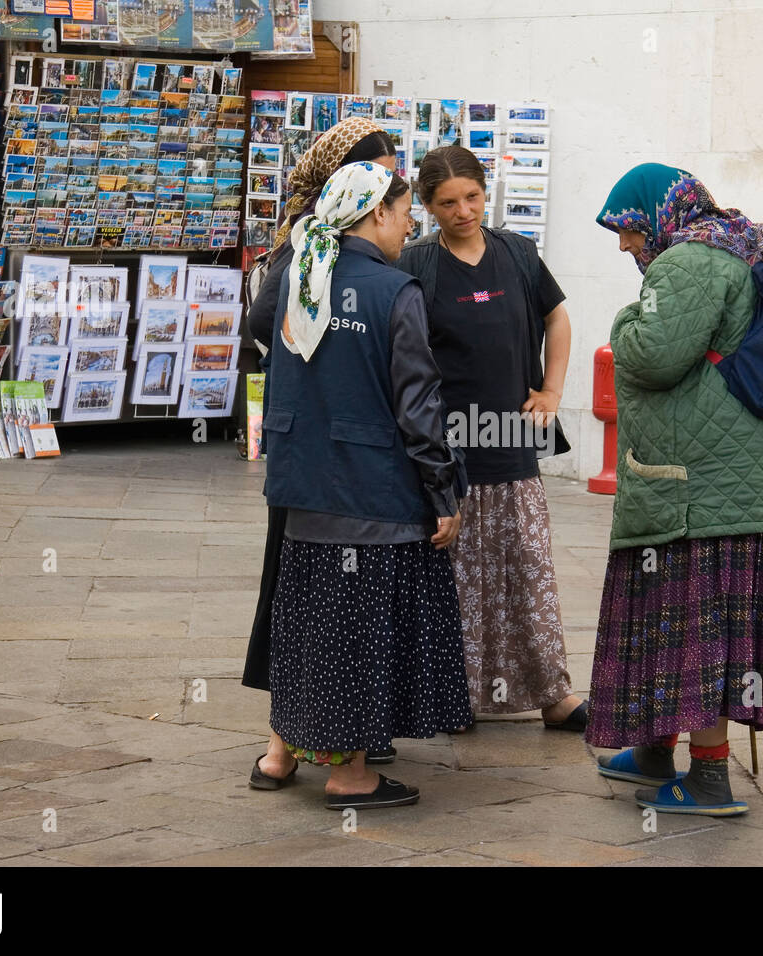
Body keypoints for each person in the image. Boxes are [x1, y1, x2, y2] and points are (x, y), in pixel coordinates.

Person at [256, 161, 471, 809]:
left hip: (301, 490)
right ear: (376, 213)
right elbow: (420, 408)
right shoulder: (395, 291)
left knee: (304, 628)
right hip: (371, 495)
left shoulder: (300, 273)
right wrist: (444, 493)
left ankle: (278, 756)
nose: (411, 227)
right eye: (406, 213)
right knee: (355, 636)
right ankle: (351, 775)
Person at [587, 163, 763, 816]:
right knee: (677, 622)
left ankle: (707, 778)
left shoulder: (688, 261)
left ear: (655, 214)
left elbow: (652, 354)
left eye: (626, 229)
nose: (624, 245)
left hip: (698, 493)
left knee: (694, 630)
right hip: (729, 485)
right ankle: (655, 750)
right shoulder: (745, 245)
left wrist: (623, 323)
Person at [397, 146, 584, 730]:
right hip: (446, 452)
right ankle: (458, 698)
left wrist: (551, 390)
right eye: (447, 203)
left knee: (528, 571)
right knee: (456, 580)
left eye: (473, 197)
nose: (464, 211)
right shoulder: (414, 264)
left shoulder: (518, 254)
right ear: (426, 207)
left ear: (487, 191)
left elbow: (557, 317)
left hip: (512, 443)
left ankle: (554, 695)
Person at [243, 119, 399, 784]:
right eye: (382, 169)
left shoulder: (316, 239)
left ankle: (290, 750)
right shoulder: (316, 241)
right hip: (325, 462)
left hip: (302, 451)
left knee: (297, 600)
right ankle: (291, 749)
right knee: (306, 602)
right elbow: (261, 323)